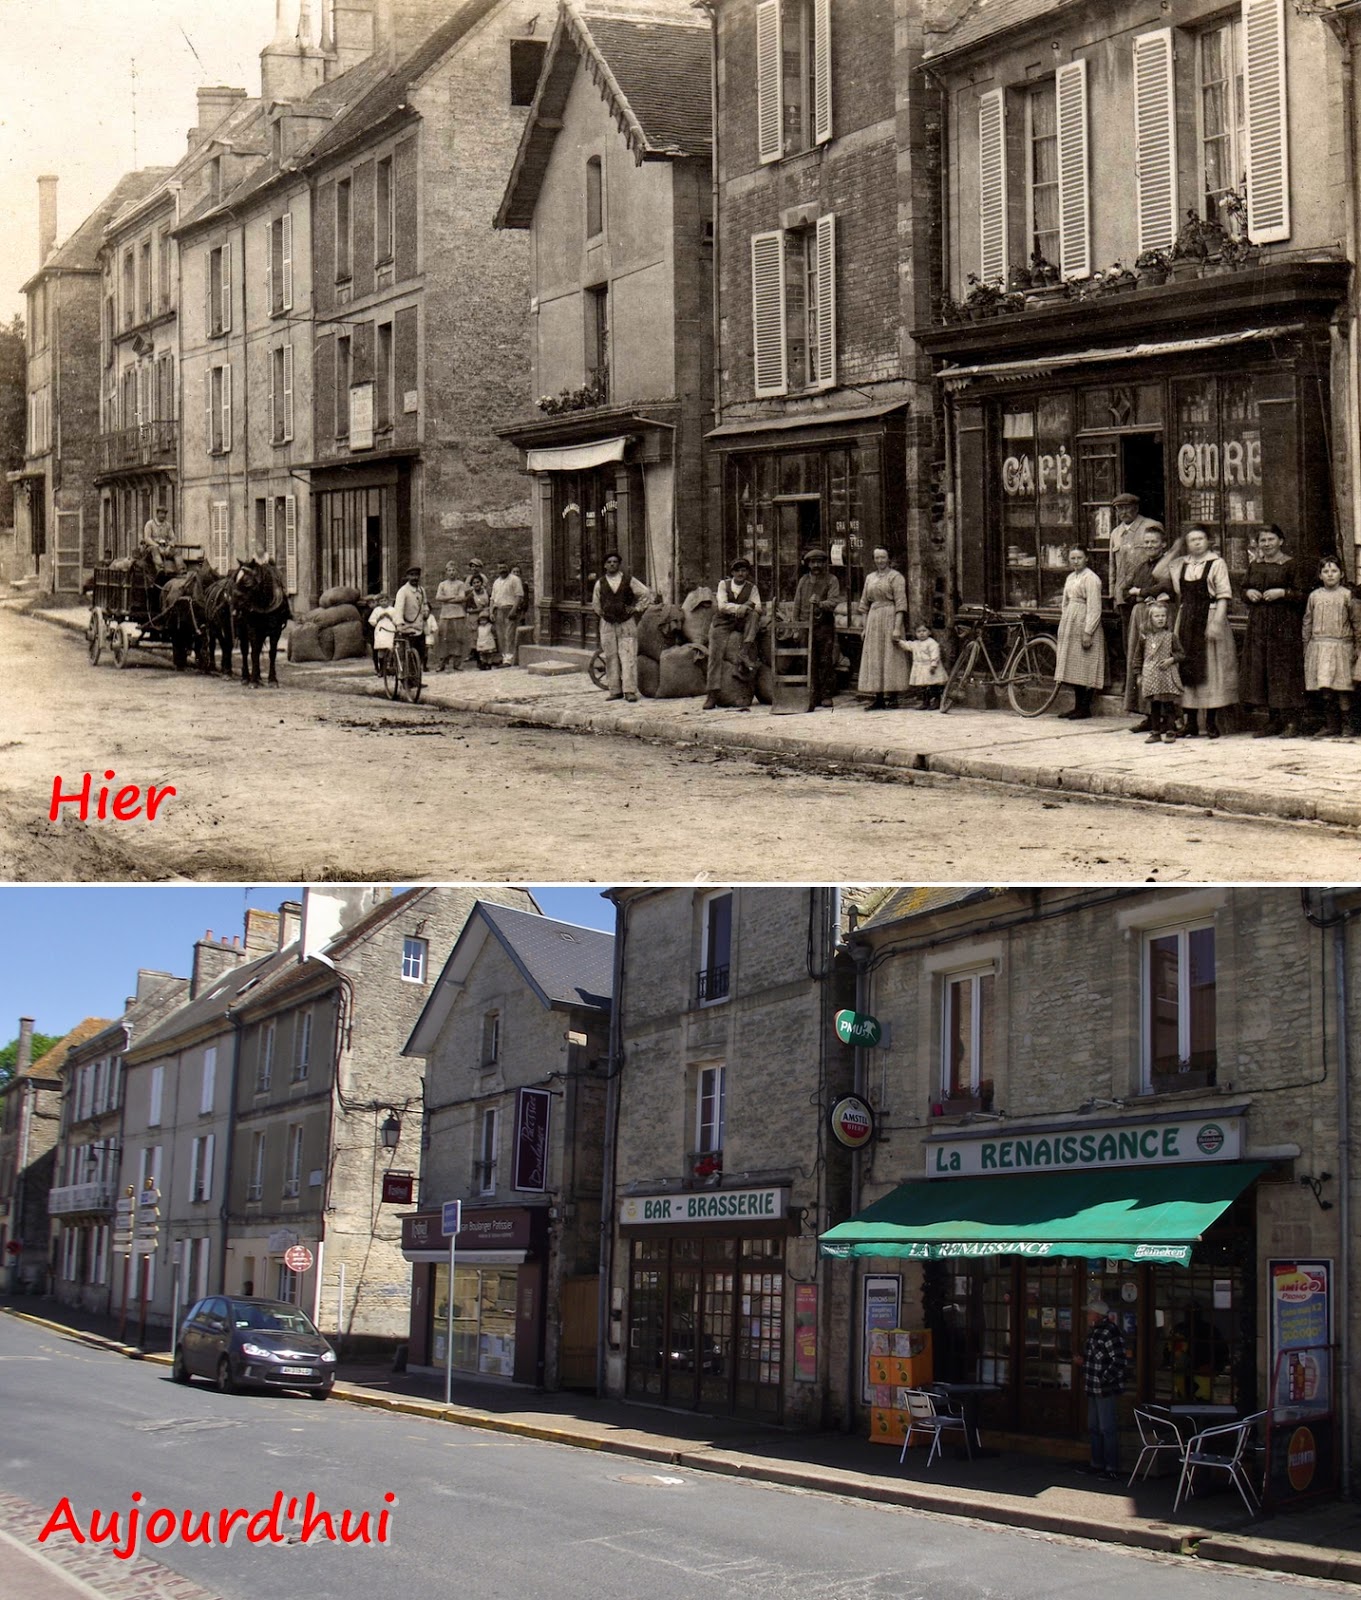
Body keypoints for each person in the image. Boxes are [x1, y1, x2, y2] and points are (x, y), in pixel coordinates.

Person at [1158, 526, 1239, 738]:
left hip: (1209, 616)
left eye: (1200, 538)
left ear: (1208, 540)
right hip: (1186, 618)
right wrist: (1175, 549)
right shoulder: (1179, 564)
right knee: (1186, 668)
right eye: (1192, 540)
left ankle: (1211, 723)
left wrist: (1217, 623)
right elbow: (1157, 572)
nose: (1196, 543)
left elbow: (1223, 595)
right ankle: (1191, 723)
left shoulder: (1216, 563)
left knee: (1211, 669)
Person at [1240, 524, 1305, 738]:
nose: (1266, 544)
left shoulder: (1291, 565)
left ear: (1281, 541)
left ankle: (1292, 721)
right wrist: (1248, 593)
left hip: (1284, 625)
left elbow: (1303, 595)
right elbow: (1242, 589)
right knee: (1264, 671)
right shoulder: (1255, 566)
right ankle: (1273, 720)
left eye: (1271, 539)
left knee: (1285, 671)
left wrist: (1283, 593)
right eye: (1262, 540)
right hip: (1259, 625)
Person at [1118, 524, 1169, 730]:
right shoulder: (1141, 567)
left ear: (1163, 545)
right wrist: (1141, 594)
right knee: (1141, 663)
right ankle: (1148, 715)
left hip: (1159, 619)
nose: (1149, 546)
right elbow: (1125, 591)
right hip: (1139, 618)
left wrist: (1142, 591)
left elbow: (1166, 587)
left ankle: (1164, 717)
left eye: (1154, 542)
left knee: (1158, 663)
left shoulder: (1167, 566)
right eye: (1146, 542)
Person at [1303, 556, 1355, 738]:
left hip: (1342, 646)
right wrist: (1306, 645)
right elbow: (1307, 621)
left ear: (1341, 574)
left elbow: (1356, 622)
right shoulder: (1315, 596)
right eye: (1325, 571)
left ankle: (1348, 725)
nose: (1330, 575)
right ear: (1320, 575)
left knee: (1343, 687)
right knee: (1325, 687)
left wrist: (1356, 647)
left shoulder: (1347, 595)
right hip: (1320, 646)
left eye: (1334, 571)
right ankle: (1331, 724)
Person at [1076, 1300, 1127, 1481]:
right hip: (1092, 1387)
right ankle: (1097, 1463)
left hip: (1105, 1389)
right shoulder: (1095, 1331)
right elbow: (1096, 1359)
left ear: (1097, 1314)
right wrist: (1084, 1363)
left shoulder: (1110, 1331)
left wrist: (1104, 1378)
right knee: (1094, 1427)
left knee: (1107, 1428)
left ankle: (1112, 1467)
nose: (1087, 1315)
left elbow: (1119, 1360)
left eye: (1090, 1312)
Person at [591, 551, 652, 702]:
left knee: (628, 656)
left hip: (626, 623)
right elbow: (596, 603)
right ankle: (615, 690)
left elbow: (646, 593)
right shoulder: (600, 583)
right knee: (610, 656)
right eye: (609, 562)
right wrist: (605, 614)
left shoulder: (629, 580)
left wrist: (636, 608)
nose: (612, 564)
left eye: (615, 562)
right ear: (605, 565)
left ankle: (629, 691)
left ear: (619, 564)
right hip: (607, 624)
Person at [703, 557, 762, 710]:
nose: (741, 574)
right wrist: (739, 608)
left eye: (744, 570)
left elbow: (759, 607)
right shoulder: (724, 585)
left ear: (747, 572)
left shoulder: (752, 588)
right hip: (723, 622)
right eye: (737, 571)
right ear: (732, 573)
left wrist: (748, 605)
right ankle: (712, 694)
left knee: (754, 616)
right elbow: (722, 606)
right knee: (715, 655)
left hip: (741, 623)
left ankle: (744, 652)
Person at [1054, 546, 1106, 720]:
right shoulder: (1070, 577)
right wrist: (1065, 621)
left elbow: (1095, 607)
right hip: (1071, 623)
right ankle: (1077, 707)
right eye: (1073, 558)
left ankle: (1085, 708)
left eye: (1079, 558)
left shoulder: (1091, 578)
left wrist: (1088, 631)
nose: (1076, 561)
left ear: (1086, 558)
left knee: (1085, 665)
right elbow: (1065, 602)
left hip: (1084, 622)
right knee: (1074, 667)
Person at [857, 547, 911, 709]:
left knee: (890, 655)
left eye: (883, 557)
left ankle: (892, 697)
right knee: (875, 657)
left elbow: (901, 604)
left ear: (888, 559)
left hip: (890, 617)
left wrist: (897, 628)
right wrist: (865, 627)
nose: (880, 561)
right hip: (874, 619)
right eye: (877, 558)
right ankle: (878, 697)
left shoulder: (896, 577)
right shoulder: (870, 578)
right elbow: (864, 604)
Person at [792, 547, 842, 708]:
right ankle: (811, 694)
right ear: (808, 564)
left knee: (825, 660)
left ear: (824, 564)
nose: (816, 565)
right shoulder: (803, 581)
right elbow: (797, 604)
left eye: (819, 562)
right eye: (813, 562)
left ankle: (826, 694)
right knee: (807, 660)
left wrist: (820, 604)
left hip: (824, 626)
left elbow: (834, 601)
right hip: (805, 626)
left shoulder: (831, 580)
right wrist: (795, 627)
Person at [1138, 602, 1185, 743]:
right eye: (1157, 616)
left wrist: (1171, 660)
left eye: (1163, 616)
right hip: (1151, 676)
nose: (1160, 619)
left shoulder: (1171, 636)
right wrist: (1138, 674)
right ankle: (1155, 732)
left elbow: (1181, 654)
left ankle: (1170, 731)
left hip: (1166, 675)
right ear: (1150, 618)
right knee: (1155, 706)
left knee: (1168, 704)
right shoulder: (1144, 638)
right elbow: (1138, 657)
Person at [1108, 492, 1159, 611]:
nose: (1123, 512)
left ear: (1136, 508)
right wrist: (1113, 593)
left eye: (1127, 508)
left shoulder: (1150, 526)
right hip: (1123, 594)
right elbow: (1112, 565)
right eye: (1120, 509)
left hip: (1145, 593)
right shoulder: (1115, 533)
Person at [898, 623, 947, 708]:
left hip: (929, 666)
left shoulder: (932, 643)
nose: (921, 633)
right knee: (923, 686)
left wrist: (933, 665)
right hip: (920, 667)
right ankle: (925, 702)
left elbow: (935, 654)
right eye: (919, 631)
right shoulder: (915, 643)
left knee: (933, 685)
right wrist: (899, 641)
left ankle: (937, 701)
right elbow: (907, 645)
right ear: (915, 633)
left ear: (929, 632)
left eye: (924, 631)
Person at [433, 562, 468, 671]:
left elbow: (461, 597)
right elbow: (438, 597)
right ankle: (442, 662)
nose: (451, 572)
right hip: (445, 615)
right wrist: (453, 597)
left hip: (458, 614)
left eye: (453, 570)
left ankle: (457, 663)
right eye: (449, 570)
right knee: (443, 637)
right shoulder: (442, 584)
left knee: (458, 638)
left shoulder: (460, 584)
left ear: (456, 572)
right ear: (446, 572)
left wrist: (446, 599)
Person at [393, 565, 429, 666]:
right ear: (407, 576)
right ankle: (407, 675)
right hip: (407, 627)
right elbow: (399, 608)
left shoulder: (421, 590)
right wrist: (399, 624)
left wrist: (426, 611)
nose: (415, 578)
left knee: (420, 654)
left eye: (417, 575)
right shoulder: (403, 591)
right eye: (412, 575)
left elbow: (425, 603)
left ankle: (417, 675)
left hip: (419, 626)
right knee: (408, 655)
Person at [490, 559, 525, 666]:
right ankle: (503, 657)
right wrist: (491, 612)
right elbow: (492, 599)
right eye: (500, 568)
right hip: (498, 610)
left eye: (504, 567)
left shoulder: (514, 579)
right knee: (500, 635)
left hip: (510, 609)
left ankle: (509, 659)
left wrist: (513, 610)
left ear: (508, 568)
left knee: (509, 635)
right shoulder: (496, 582)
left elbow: (519, 596)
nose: (502, 570)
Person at [368, 592, 396, 675]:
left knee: (390, 649)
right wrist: (379, 618)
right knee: (381, 650)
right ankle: (381, 669)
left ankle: (390, 668)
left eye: (385, 600)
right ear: (378, 602)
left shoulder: (392, 610)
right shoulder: (377, 610)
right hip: (380, 631)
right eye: (381, 601)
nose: (383, 603)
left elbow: (397, 620)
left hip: (390, 630)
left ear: (388, 601)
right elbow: (372, 621)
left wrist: (390, 617)